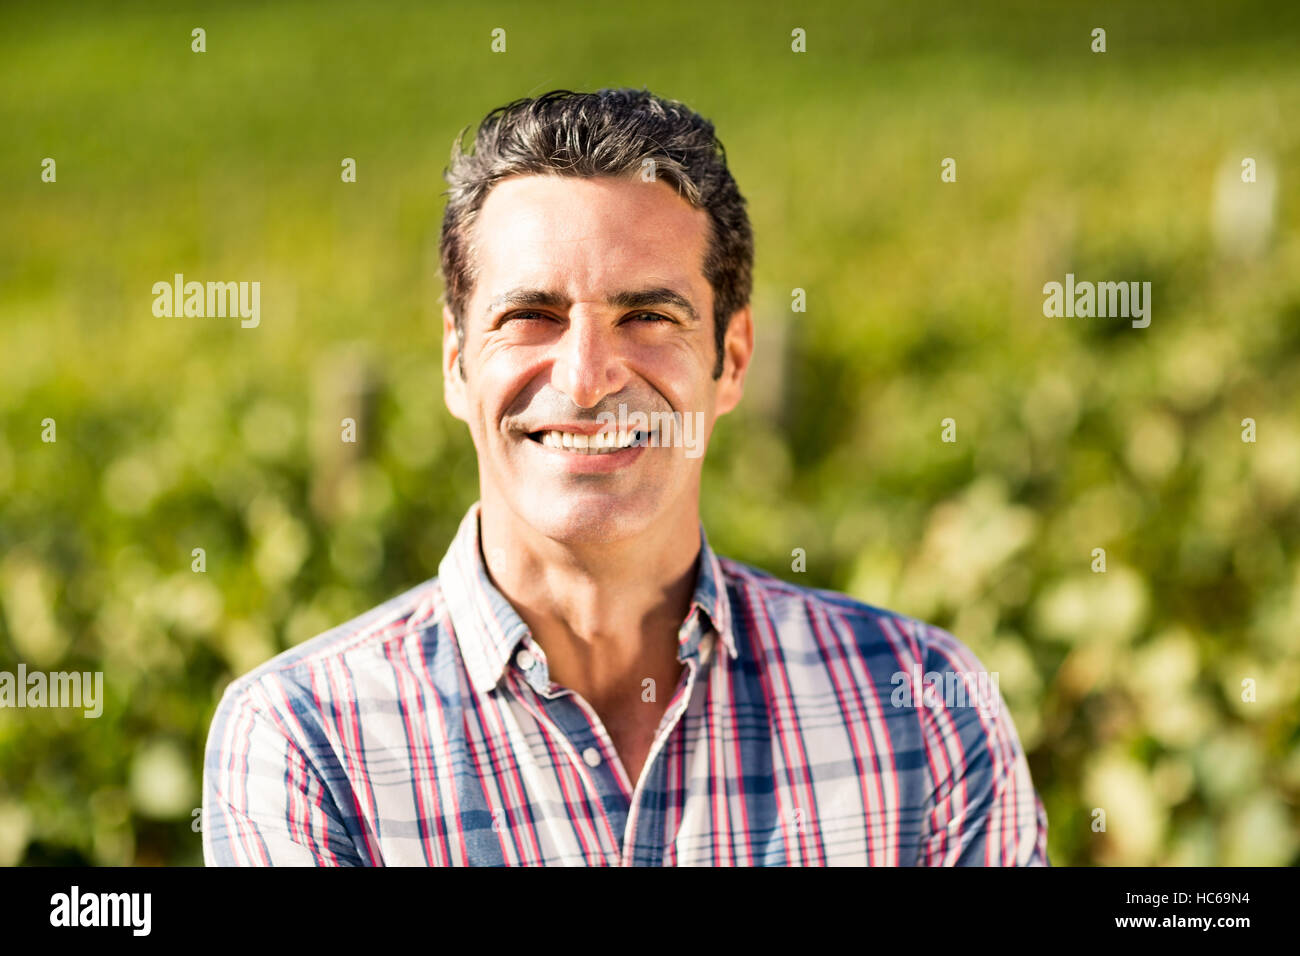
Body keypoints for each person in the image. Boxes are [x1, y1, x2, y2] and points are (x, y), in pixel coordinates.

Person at [202, 87, 1049, 866]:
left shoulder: (927, 713)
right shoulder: (306, 745)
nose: (586, 376)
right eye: (530, 316)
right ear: (458, 366)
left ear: (732, 359)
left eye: (647, 316)